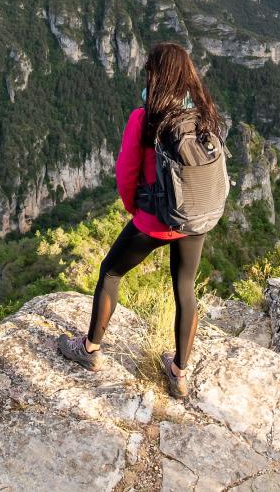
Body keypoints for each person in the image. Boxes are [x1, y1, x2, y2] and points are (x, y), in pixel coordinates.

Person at [57, 41, 225, 397]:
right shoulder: (205, 114)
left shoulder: (146, 117)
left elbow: (127, 170)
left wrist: (136, 209)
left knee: (111, 271)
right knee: (185, 288)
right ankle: (179, 372)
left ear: (156, 75)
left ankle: (89, 350)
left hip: (155, 219)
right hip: (196, 216)